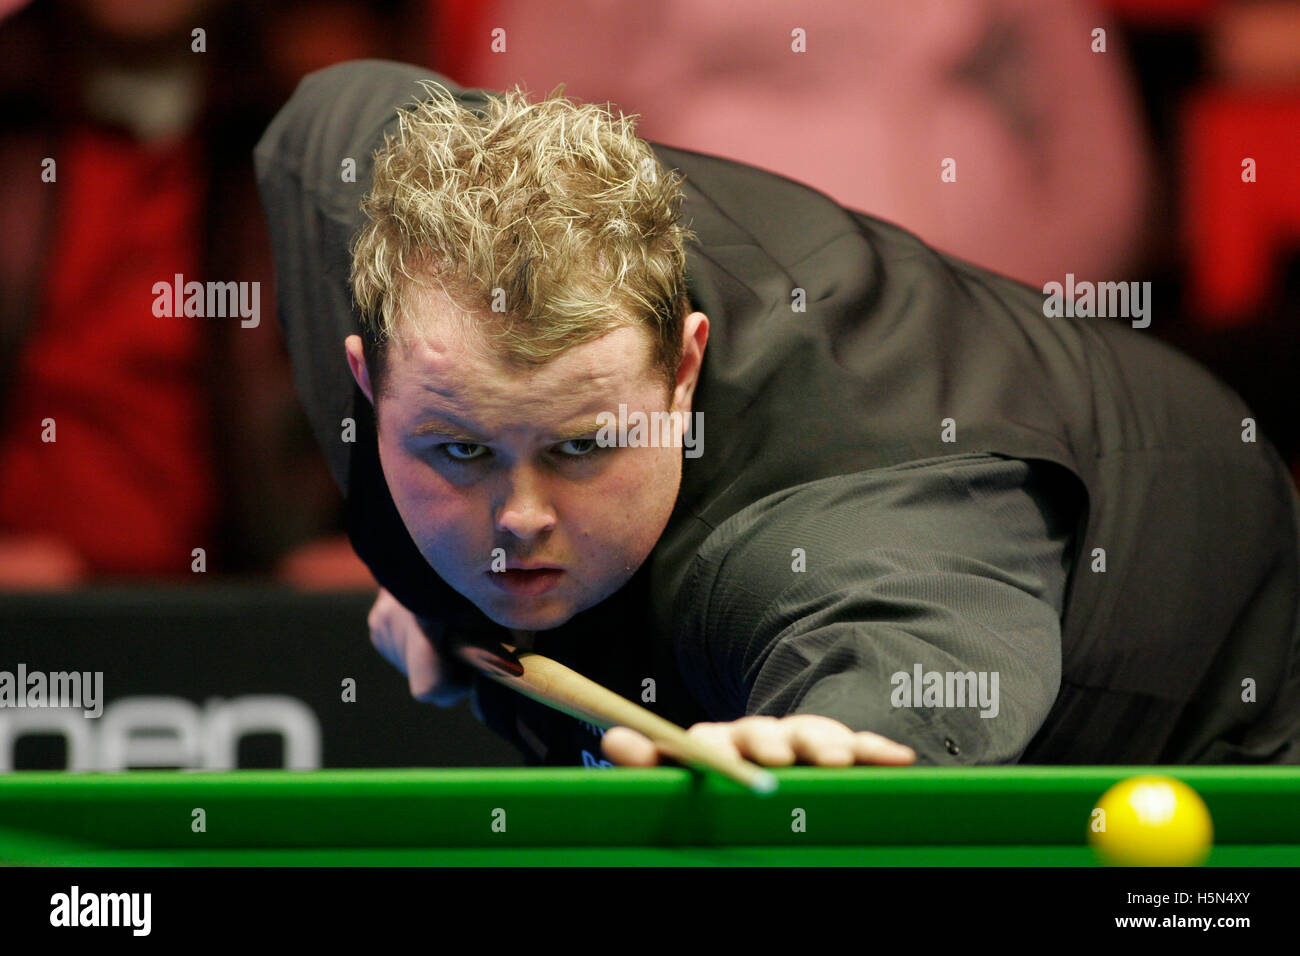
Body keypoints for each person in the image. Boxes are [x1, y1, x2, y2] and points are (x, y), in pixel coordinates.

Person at [254, 60, 1300, 768]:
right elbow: (330, 108)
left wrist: (826, 745)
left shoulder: (850, 517)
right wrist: (436, 587)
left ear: (683, 369)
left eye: (581, 447)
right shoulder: (349, 192)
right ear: (366, 372)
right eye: (460, 448)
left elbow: (925, 659)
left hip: (1190, 669)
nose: (516, 514)